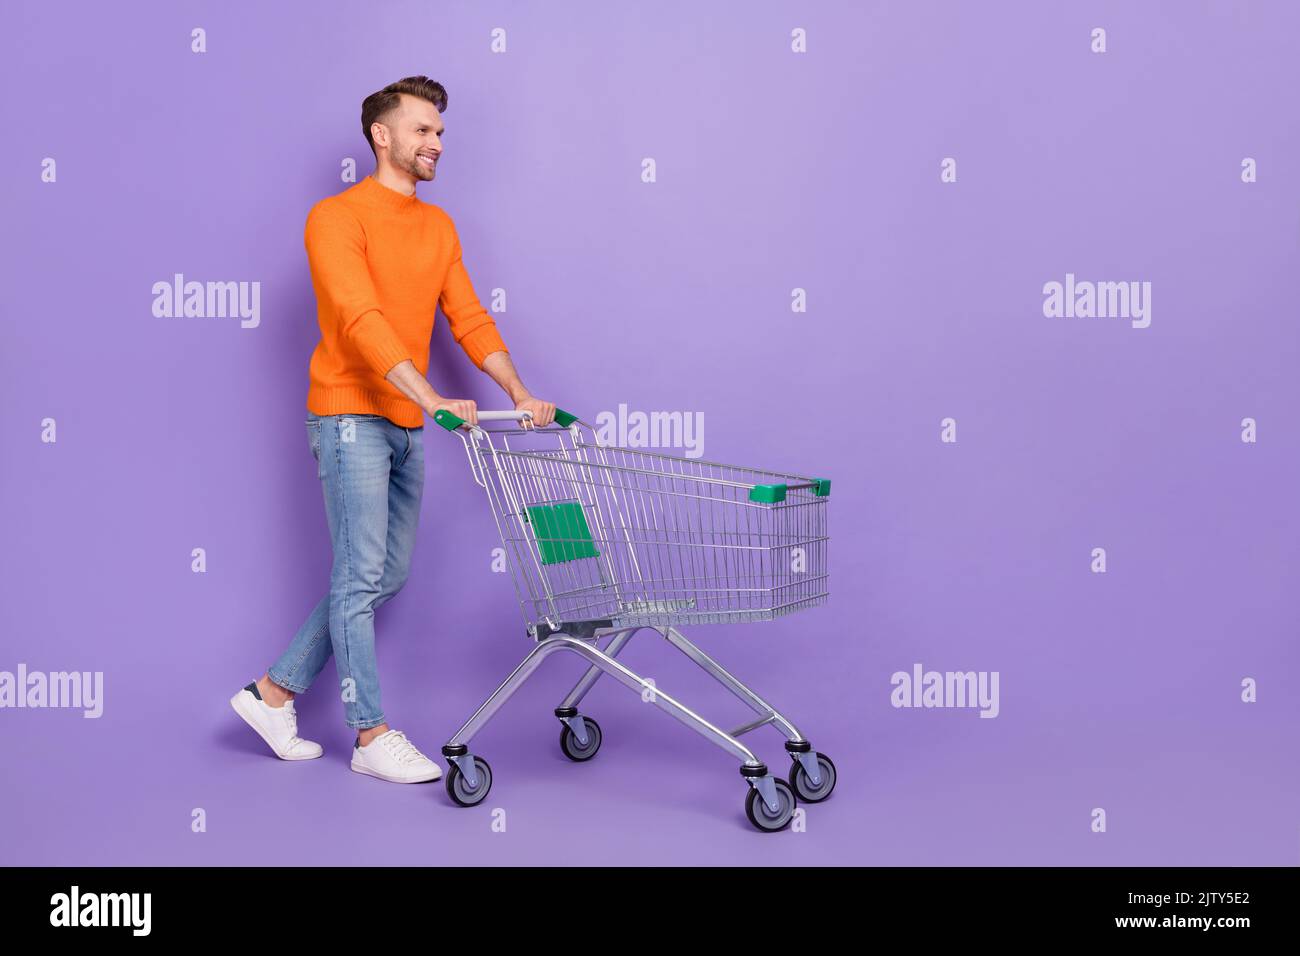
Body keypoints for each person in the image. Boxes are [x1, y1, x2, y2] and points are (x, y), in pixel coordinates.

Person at [231, 76, 555, 783]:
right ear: (383, 136)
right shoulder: (334, 218)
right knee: (357, 574)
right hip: (350, 415)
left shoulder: (438, 227)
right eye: (423, 130)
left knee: (384, 573)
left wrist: (519, 391)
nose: (437, 142)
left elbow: (468, 319)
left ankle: (272, 694)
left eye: (440, 131)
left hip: (407, 422)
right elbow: (360, 318)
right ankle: (370, 734)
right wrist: (431, 394)